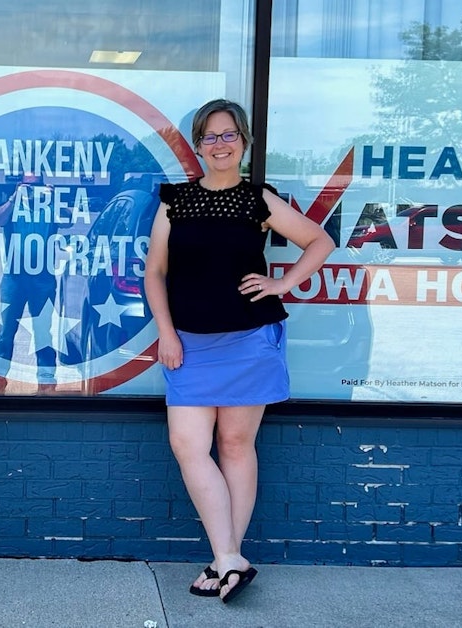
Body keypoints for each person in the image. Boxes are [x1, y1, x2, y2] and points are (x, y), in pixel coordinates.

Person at [143, 99, 334, 603]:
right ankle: (230, 558)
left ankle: (225, 559)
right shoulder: (174, 201)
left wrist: (282, 283)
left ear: (244, 142)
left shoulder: (259, 200)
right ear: (198, 146)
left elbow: (319, 242)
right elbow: (155, 273)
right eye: (210, 136)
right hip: (189, 344)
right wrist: (166, 332)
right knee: (188, 445)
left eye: (229, 135)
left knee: (234, 446)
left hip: (249, 339)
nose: (220, 144)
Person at [0, 172, 62, 393]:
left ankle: (46, 381)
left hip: (43, 277)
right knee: (6, 329)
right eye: (27, 186)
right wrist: (14, 198)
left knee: (42, 330)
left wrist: (54, 197)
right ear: (19, 186)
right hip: (14, 277)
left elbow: (68, 220)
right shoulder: (13, 207)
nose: (32, 191)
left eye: (36, 186)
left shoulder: (49, 207)